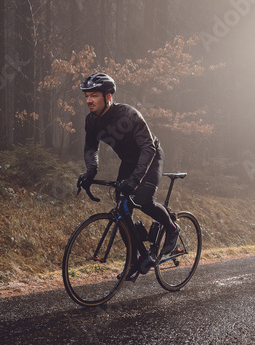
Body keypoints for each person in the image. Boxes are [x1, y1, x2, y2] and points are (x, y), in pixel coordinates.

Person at [77, 72, 179, 272]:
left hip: (151, 155)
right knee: (122, 207)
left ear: (108, 97)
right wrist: (91, 172)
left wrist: (135, 180)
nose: (88, 100)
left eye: (94, 95)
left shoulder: (128, 115)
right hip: (129, 161)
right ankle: (136, 255)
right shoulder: (91, 121)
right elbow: (91, 148)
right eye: (87, 96)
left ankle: (172, 229)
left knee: (143, 199)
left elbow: (148, 148)